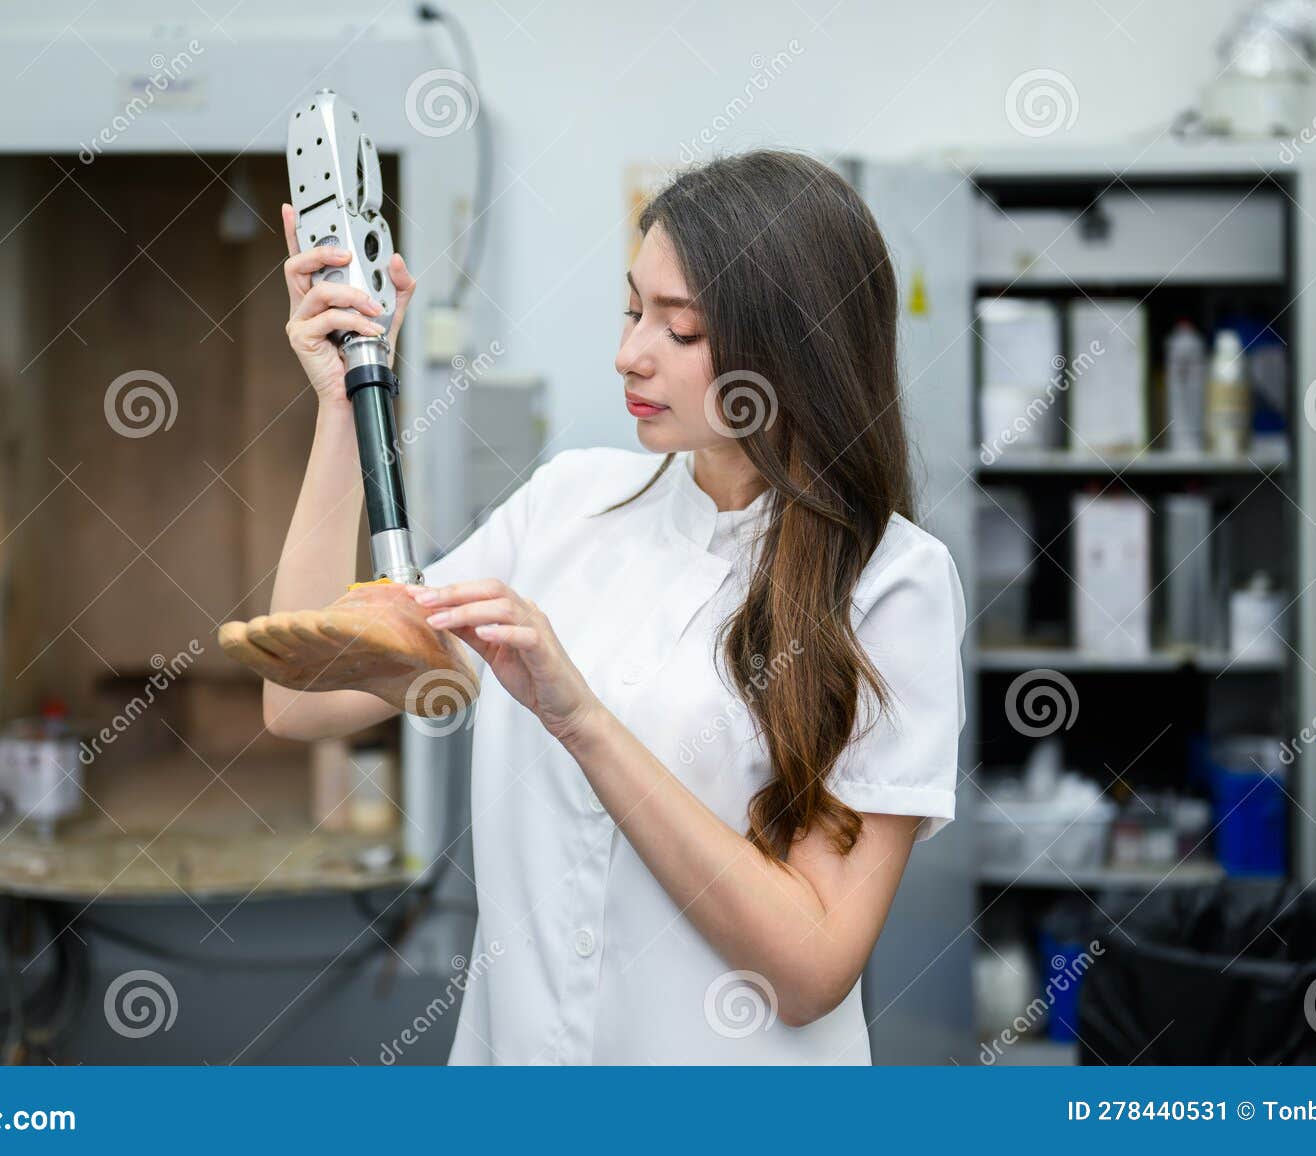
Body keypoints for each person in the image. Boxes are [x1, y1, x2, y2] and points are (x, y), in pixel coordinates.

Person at [256, 149, 965, 1064]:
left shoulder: (891, 581)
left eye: (683, 328)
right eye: (634, 309)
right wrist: (344, 404)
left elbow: (812, 969)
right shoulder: (568, 504)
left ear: (796, 347)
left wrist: (582, 721)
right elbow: (305, 696)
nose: (630, 352)